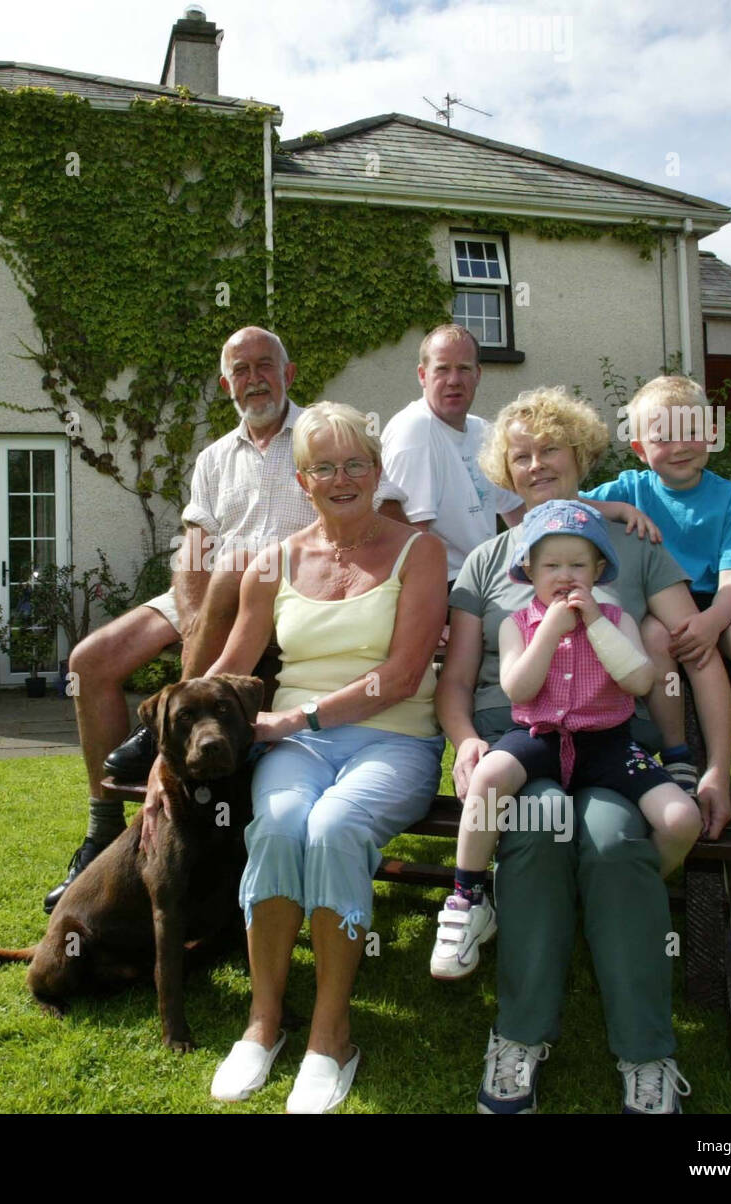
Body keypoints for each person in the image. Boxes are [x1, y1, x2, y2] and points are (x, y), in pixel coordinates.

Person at [436, 386, 731, 1115]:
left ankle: (645, 1053)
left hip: (611, 745)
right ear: (505, 467)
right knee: (539, 833)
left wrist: (719, 764)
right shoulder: (488, 561)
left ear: (582, 456)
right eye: (521, 454)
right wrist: (468, 740)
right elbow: (456, 680)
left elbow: (694, 656)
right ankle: (518, 1038)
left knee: (610, 841)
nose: (537, 464)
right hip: (521, 742)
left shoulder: (634, 547)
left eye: (551, 450)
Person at [144, 402, 447, 1113]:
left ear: (377, 473)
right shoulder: (273, 563)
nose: (342, 478)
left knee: (335, 828)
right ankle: (264, 1021)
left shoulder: (419, 552)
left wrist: (299, 716)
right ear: (303, 480)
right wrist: (167, 758)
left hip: (393, 737)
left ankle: (330, 1035)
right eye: (324, 467)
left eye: (356, 464)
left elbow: (401, 676)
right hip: (295, 745)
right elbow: (222, 671)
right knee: (278, 826)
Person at [45, 327, 407, 912]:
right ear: (226, 384)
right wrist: (193, 622)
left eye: (266, 365)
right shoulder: (215, 457)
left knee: (239, 563)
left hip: (288, 589)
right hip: (209, 597)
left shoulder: (320, 435)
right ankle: (102, 828)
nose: (254, 378)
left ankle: (163, 738)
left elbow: (381, 511)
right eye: (241, 370)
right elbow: (193, 550)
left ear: (288, 375)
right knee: (90, 662)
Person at [429, 499, 702, 981]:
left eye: (578, 564)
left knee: (682, 818)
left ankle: (621, 886)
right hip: (539, 736)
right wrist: (550, 631)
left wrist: (594, 622)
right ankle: (467, 895)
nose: (565, 575)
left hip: (608, 743)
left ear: (599, 570)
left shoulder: (617, 619)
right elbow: (518, 689)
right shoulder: (519, 625)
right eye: (551, 565)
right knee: (490, 775)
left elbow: (640, 681)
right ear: (529, 571)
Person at [583, 375, 731, 829]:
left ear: (710, 434)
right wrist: (621, 511)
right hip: (664, 604)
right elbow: (564, 501)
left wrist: (712, 622)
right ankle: (679, 760)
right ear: (641, 450)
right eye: (662, 437)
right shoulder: (631, 488)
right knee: (653, 634)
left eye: (689, 430)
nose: (679, 445)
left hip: (721, 601)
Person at [381, 324, 526, 586]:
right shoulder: (415, 430)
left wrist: (533, 565)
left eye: (464, 368)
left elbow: (518, 510)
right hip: (443, 582)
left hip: (486, 576)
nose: (454, 380)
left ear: (478, 374)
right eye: (442, 369)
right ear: (422, 375)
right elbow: (414, 538)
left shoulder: (483, 431)